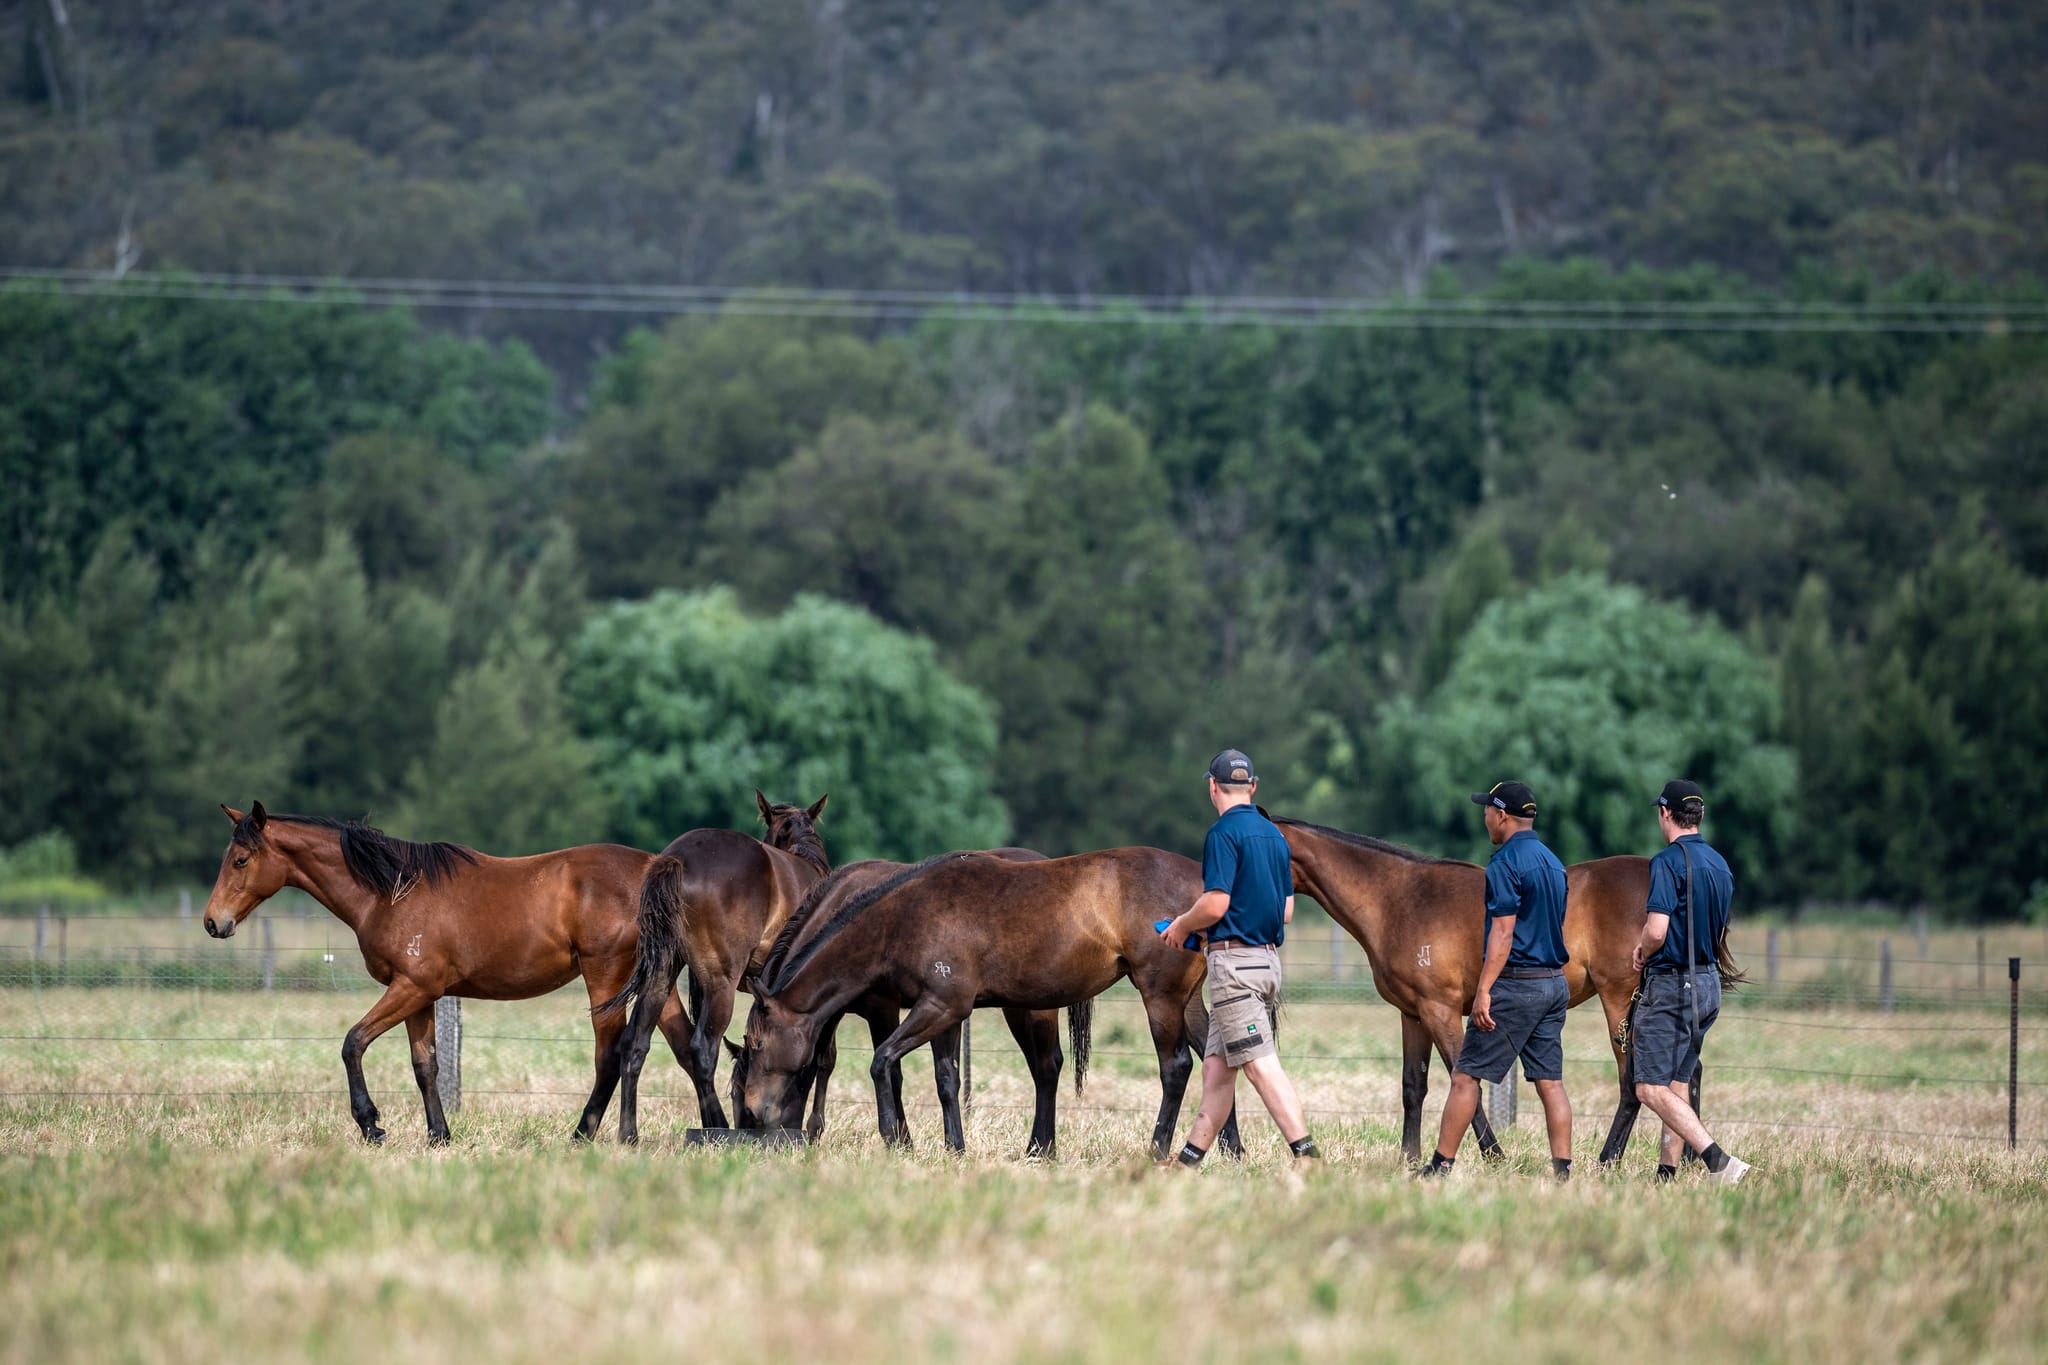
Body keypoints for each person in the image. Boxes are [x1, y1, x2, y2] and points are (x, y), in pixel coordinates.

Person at [1160, 748, 1320, 1166]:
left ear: (1212, 787)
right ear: (1253, 787)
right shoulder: (1275, 836)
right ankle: (1187, 1163)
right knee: (1215, 1070)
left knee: (1260, 1065)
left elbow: (1214, 904)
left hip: (1235, 969)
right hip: (1266, 965)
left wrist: (1182, 925)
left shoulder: (1222, 834)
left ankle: (1308, 1156)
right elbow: (1285, 911)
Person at [1419, 780, 1573, 1181]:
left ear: (1501, 815)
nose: (1484, 816)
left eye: (1487, 809)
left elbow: (1503, 934)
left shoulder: (1505, 864)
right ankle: (1563, 1172)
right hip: (1554, 983)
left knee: (1466, 1075)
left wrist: (1484, 989)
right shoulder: (1554, 862)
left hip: (1517, 985)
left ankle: (1440, 1166)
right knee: (1550, 1083)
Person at [1629, 779, 1749, 1183]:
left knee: (1648, 1087)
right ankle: (1666, 1173)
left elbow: (1657, 929)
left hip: (1672, 985)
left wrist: (1643, 950)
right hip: (1708, 983)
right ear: (1699, 816)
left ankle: (1719, 1162)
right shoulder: (1720, 865)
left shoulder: (1667, 862)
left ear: (1665, 813)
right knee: (1678, 1083)